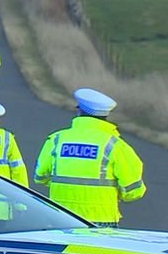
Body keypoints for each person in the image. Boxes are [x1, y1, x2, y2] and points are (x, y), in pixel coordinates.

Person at [33, 88, 146, 228]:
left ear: (79, 111)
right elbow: (133, 191)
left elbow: (40, 177)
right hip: (101, 221)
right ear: (106, 115)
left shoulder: (57, 139)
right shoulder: (116, 145)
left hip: (61, 219)